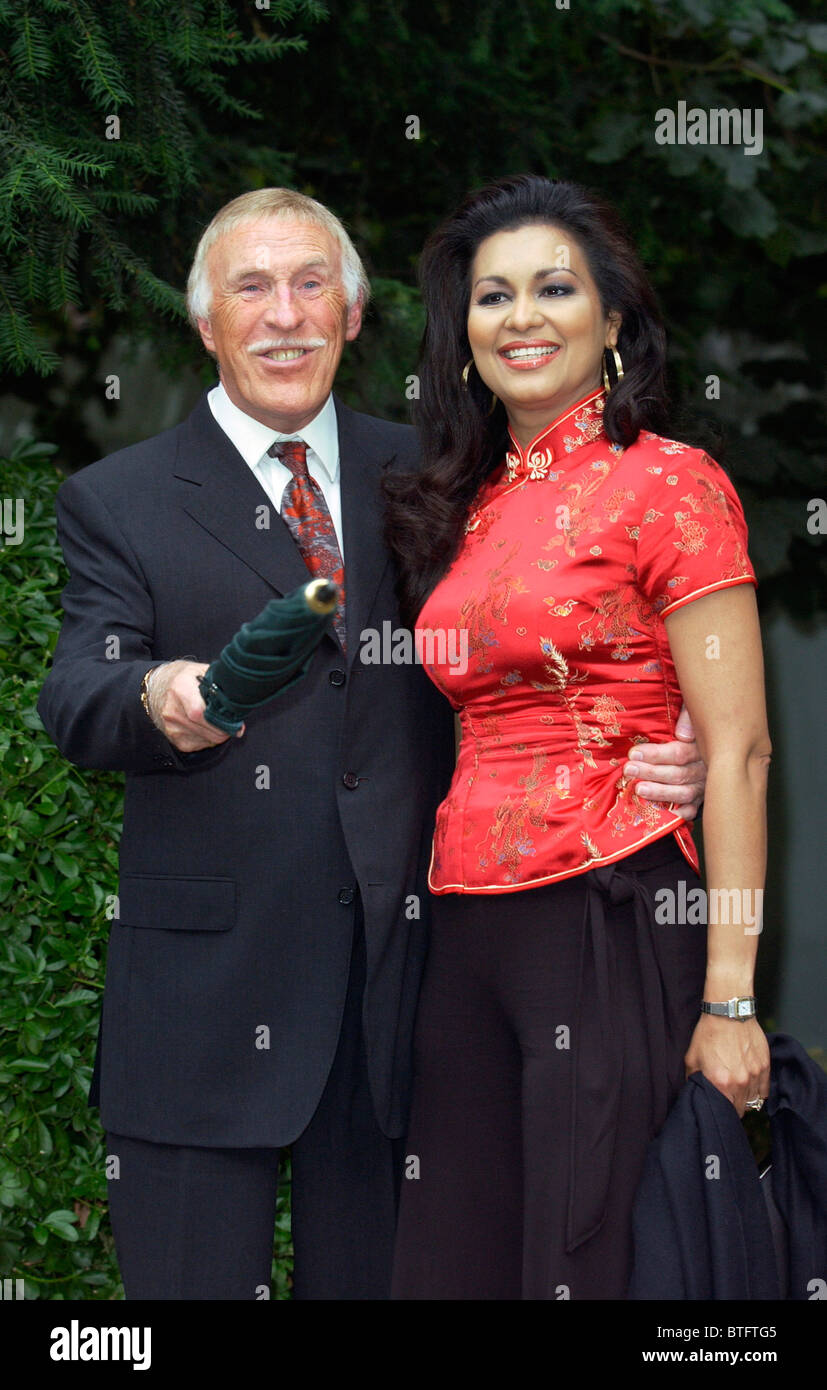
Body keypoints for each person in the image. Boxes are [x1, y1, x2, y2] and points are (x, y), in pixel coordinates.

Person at [37, 187, 706, 1301]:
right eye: (250, 288)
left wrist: (658, 736)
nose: (284, 315)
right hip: (204, 1010)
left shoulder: (446, 474)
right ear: (204, 322)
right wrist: (168, 694)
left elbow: (547, 639)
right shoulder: (118, 499)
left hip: (406, 1008)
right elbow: (78, 692)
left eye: (312, 286)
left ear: (353, 316)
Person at [386, 175, 771, 1300]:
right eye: (492, 295)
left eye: (554, 288)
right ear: (461, 337)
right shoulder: (459, 503)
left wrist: (730, 996)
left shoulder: (670, 484)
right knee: (453, 1257)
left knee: (588, 1252)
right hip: (459, 931)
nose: (521, 317)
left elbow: (737, 750)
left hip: (606, 909)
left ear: (611, 323)